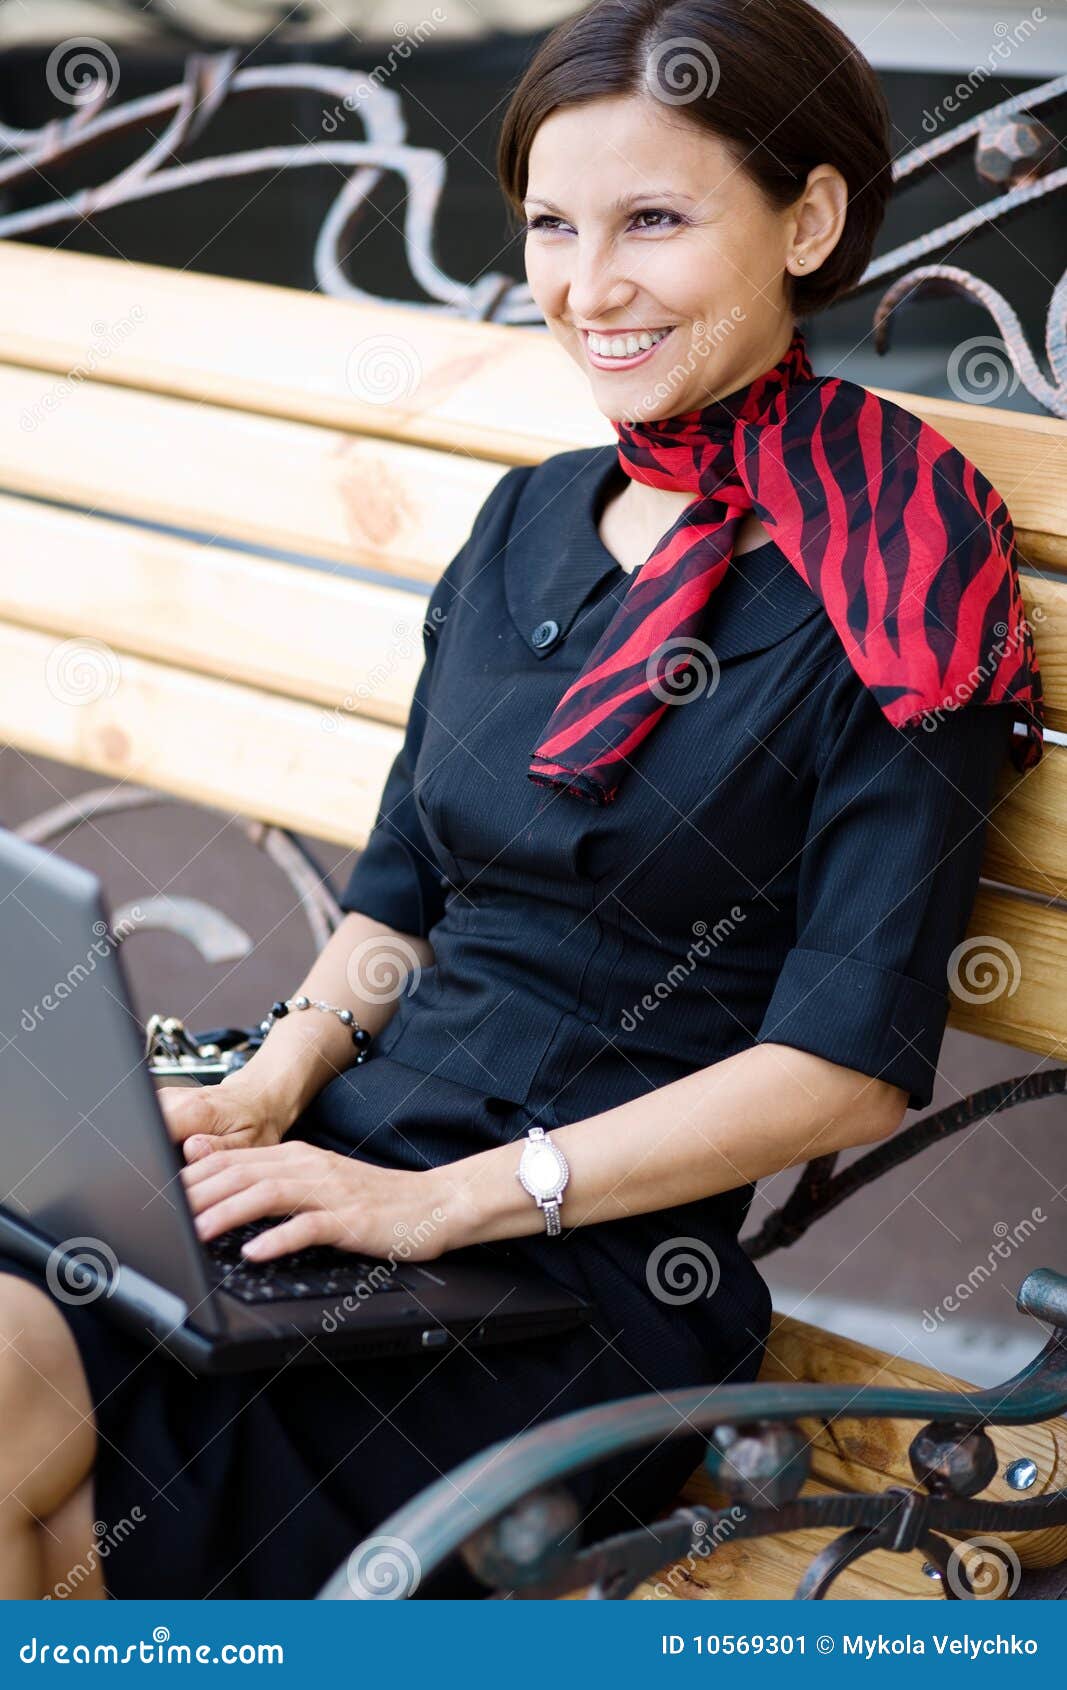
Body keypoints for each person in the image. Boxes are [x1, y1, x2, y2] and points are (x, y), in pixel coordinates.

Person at [0, 0, 1043, 1601]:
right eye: (554, 224)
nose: (588, 285)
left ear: (809, 219)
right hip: (345, 1164)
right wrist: (270, 1084)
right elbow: (402, 886)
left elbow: (843, 1071)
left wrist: (442, 1205)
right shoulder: (533, 519)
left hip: (579, 1276)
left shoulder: (899, 571)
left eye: (654, 221)